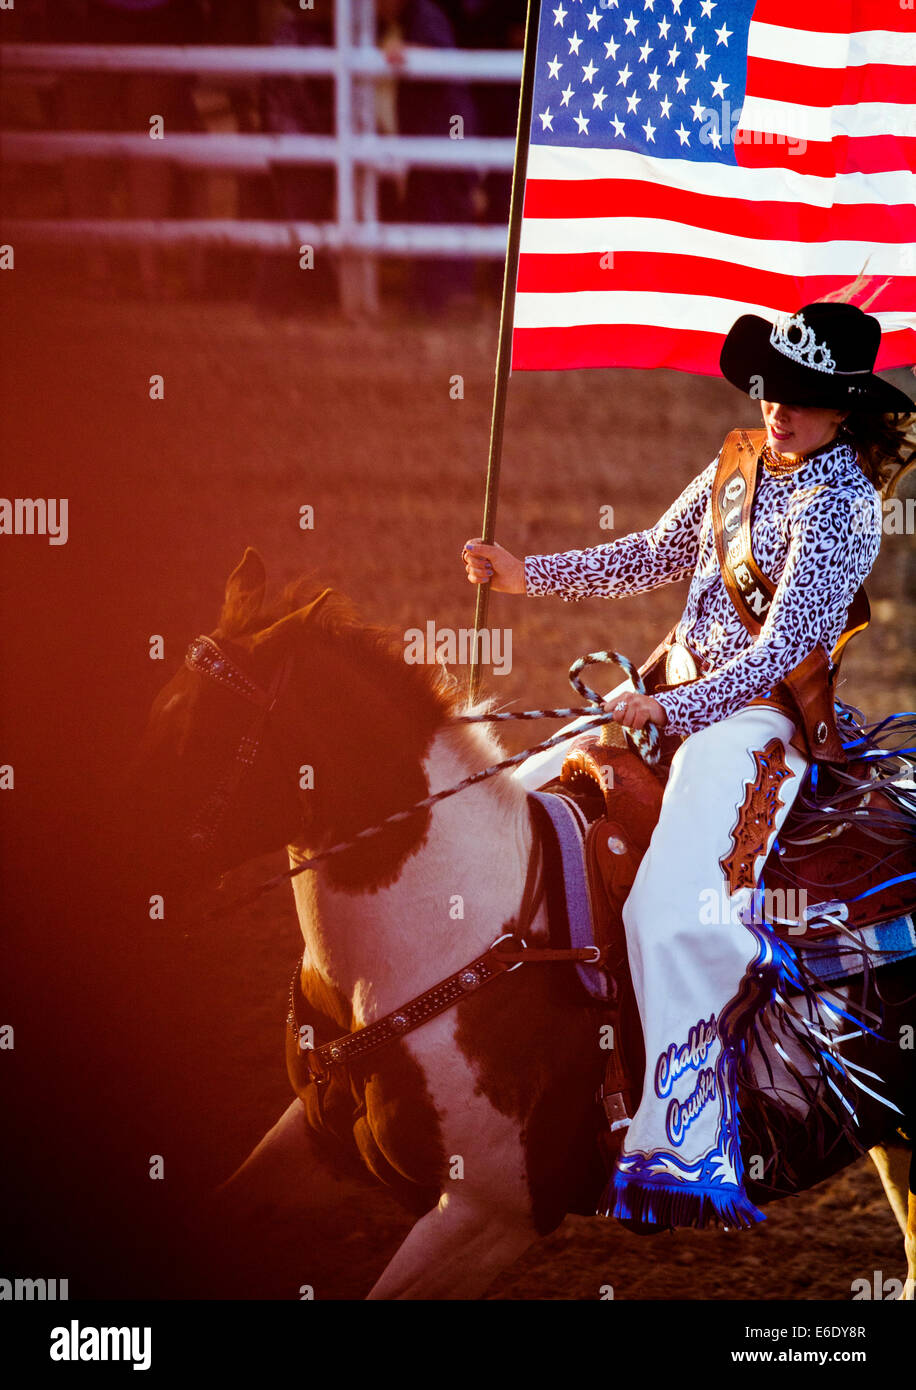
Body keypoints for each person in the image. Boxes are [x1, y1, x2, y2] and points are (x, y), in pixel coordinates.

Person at [462, 301, 915, 1230]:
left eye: (803, 397)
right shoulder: (736, 463)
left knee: (671, 913)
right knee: (518, 802)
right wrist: (525, 575)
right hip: (670, 700)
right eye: (773, 389)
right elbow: (651, 555)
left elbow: (779, 649)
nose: (779, 408)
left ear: (844, 411)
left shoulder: (845, 508)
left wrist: (670, 709)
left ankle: (686, 1138)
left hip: (752, 728)